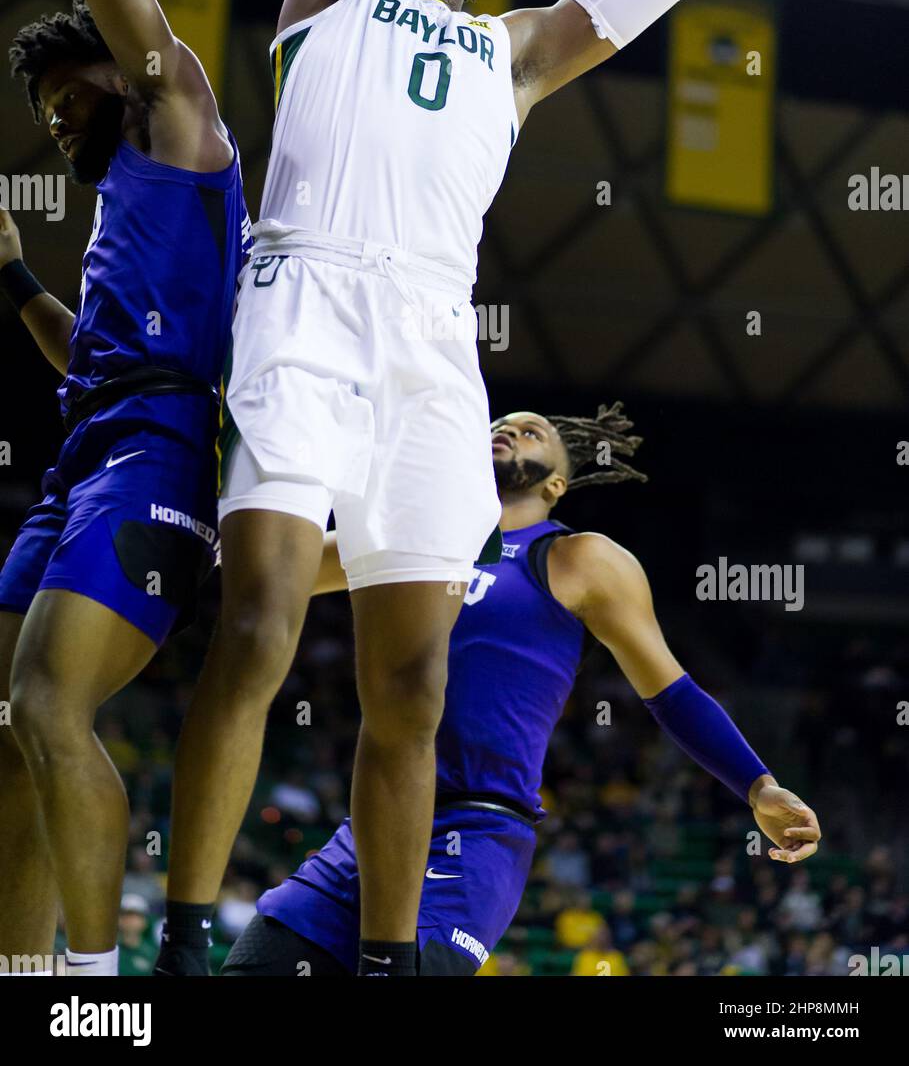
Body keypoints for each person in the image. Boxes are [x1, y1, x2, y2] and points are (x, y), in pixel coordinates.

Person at [158, 0, 722, 978]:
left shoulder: (517, 52)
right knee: (257, 626)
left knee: (408, 692)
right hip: (305, 298)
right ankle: (185, 939)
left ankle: (384, 965)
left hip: (429, 339)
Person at [221, 407, 820, 976]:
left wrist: (758, 786)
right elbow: (278, 573)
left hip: (478, 830)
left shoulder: (577, 558)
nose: (504, 431)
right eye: (497, 424)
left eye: (529, 432)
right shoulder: (415, 537)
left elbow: (673, 692)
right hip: (373, 822)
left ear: (557, 484)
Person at [0, 0, 249, 977]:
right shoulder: (115, 217)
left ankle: (98, 996)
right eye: (43, 115)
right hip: (86, 447)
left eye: (68, 95)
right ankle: (23, 976)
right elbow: (82, 360)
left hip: (160, 452)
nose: (56, 121)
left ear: (117, 69)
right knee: (11, 734)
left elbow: (136, 18)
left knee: (50, 704)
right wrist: (12, 278)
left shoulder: (178, 120)